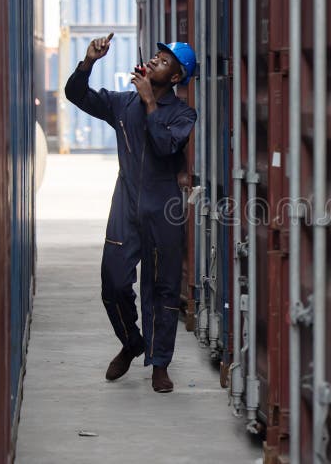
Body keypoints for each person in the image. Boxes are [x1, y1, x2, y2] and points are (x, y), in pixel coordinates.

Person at [64, 33, 197, 393]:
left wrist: (150, 103)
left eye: (165, 60)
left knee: (163, 289)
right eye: (156, 54)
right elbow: (76, 95)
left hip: (163, 207)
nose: (155, 60)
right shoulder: (123, 104)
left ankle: (158, 363)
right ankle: (132, 341)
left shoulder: (184, 114)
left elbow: (165, 145)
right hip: (126, 202)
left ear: (175, 77)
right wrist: (89, 61)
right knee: (115, 281)